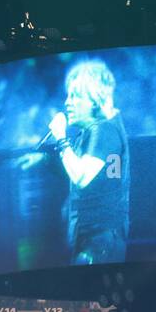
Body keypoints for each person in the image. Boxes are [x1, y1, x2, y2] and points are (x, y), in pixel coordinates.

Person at [47, 58, 130, 265]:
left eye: (75, 96)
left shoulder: (104, 130)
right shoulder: (93, 132)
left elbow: (82, 177)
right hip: (96, 239)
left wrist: (60, 137)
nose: (67, 102)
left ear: (94, 100)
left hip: (99, 242)